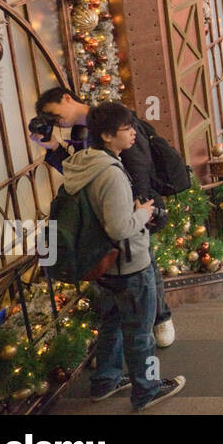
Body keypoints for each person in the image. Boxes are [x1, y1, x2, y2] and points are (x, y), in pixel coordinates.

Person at [65, 101, 186, 410]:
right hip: (128, 265)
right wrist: (144, 214)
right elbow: (119, 228)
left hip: (104, 264)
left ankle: (105, 381)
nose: (134, 133)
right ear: (106, 136)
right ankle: (147, 388)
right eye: (127, 129)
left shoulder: (86, 162)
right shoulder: (112, 174)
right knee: (141, 333)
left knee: (113, 323)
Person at [36, 87, 178, 348]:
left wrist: (140, 206)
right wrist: (54, 150)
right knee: (120, 281)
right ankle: (127, 356)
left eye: (54, 115)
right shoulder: (79, 134)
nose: (56, 122)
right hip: (106, 215)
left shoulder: (113, 122)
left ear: (67, 99)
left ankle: (160, 318)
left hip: (132, 206)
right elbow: (79, 173)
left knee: (146, 265)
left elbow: (138, 164)